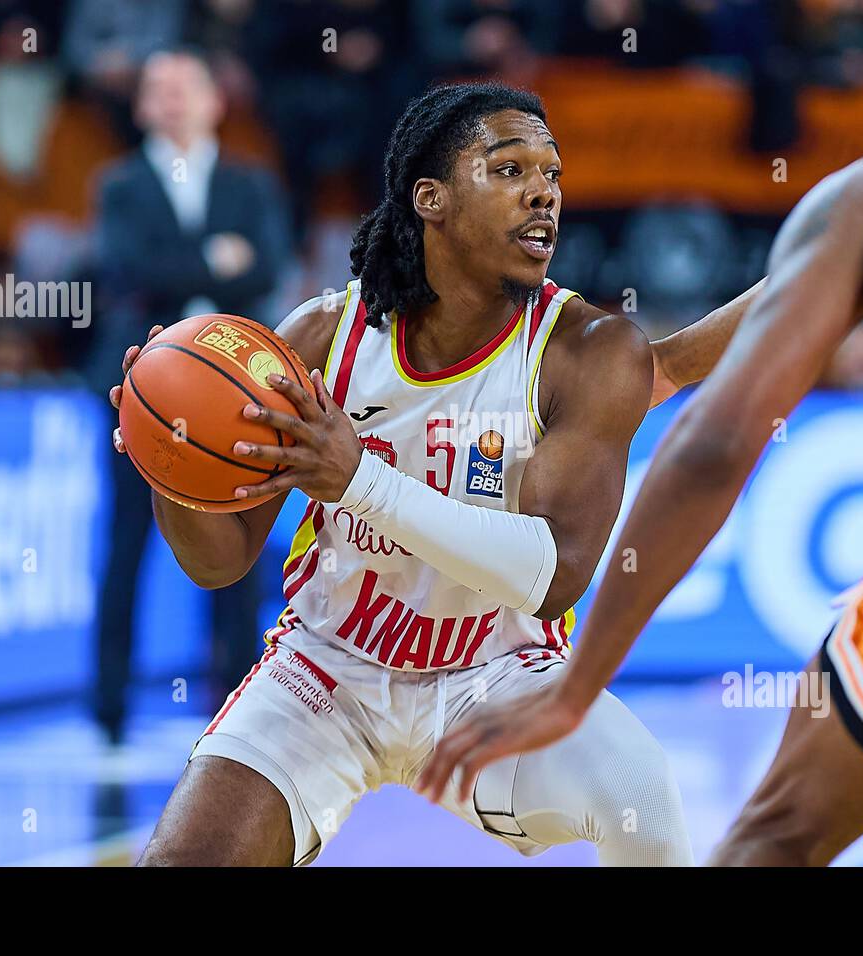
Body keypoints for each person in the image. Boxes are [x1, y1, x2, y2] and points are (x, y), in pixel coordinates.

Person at [418, 0, 863, 866]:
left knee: (776, 841)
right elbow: (854, 267)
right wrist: (675, 364)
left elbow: (721, 442)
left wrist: (578, 684)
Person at [116, 82, 695, 866]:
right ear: (432, 198)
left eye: (552, 175)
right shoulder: (325, 339)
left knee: (642, 802)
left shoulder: (588, 351)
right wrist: (170, 456)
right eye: (509, 169)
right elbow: (218, 563)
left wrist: (358, 481)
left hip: (496, 676)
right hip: (326, 672)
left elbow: (556, 575)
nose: (543, 194)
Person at [91, 48, 292, 744]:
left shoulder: (252, 183)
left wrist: (185, 267)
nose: (170, 100)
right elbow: (126, 268)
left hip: (234, 401)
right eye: (158, 89)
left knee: (236, 541)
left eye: (185, 87)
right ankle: (109, 707)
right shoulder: (118, 183)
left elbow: (266, 265)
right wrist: (213, 261)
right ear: (143, 106)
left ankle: (237, 698)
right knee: (127, 543)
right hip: (135, 393)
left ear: (215, 101)